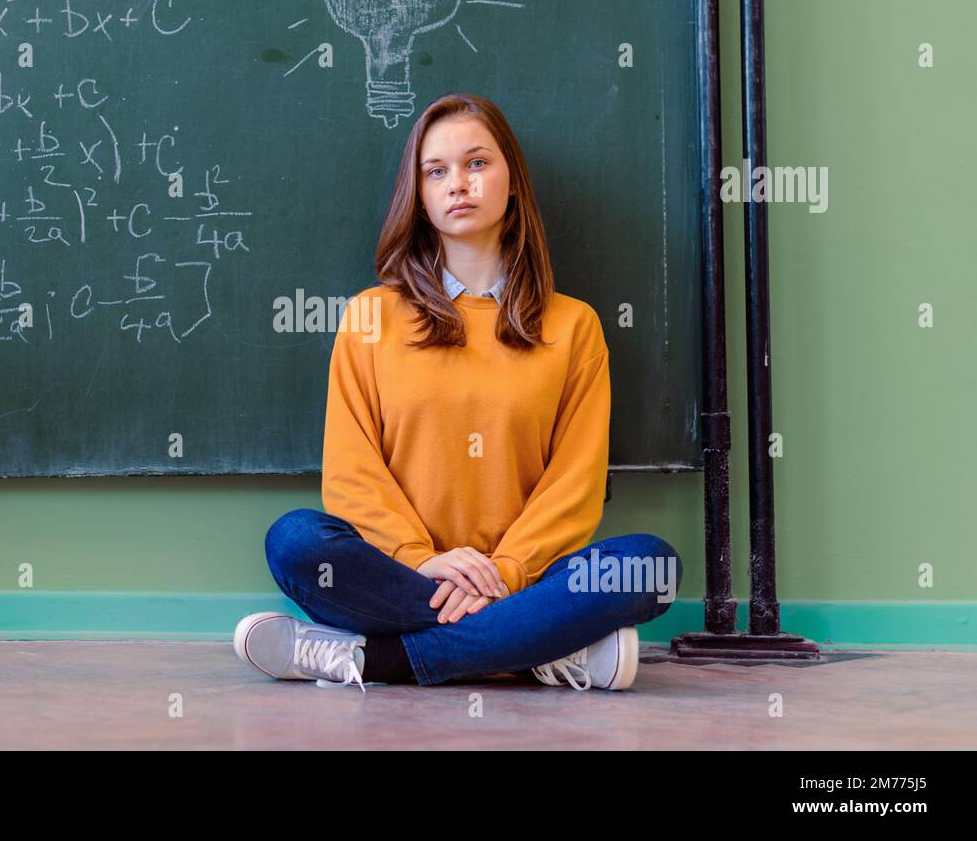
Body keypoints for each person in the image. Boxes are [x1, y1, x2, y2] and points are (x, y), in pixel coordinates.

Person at [234, 93, 682, 692]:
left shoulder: (574, 326)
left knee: (647, 567)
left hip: (525, 578)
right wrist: (422, 560)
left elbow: (574, 484)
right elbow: (351, 472)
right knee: (294, 540)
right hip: (400, 574)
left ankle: (370, 661)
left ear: (512, 181)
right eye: (436, 171)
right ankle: (540, 649)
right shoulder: (372, 316)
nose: (458, 184)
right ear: (419, 196)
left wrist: (504, 569)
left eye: (477, 163)